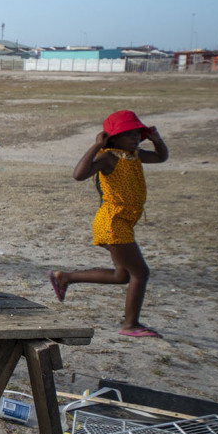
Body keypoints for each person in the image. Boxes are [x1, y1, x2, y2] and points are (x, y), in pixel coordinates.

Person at [49, 110, 169, 338]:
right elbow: (78, 175)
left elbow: (161, 157)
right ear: (112, 137)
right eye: (128, 134)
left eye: (136, 133)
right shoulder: (108, 157)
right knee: (141, 273)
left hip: (123, 223)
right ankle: (130, 325)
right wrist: (96, 147)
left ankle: (65, 277)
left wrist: (157, 140)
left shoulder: (134, 154)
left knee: (122, 276)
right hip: (112, 223)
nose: (134, 138)